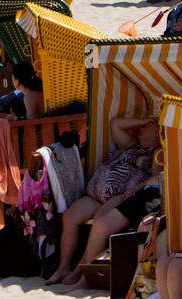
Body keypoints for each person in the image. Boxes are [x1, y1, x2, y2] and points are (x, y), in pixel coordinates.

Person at [46, 116, 161, 285]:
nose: (141, 129)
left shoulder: (157, 152)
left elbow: (155, 179)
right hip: (96, 194)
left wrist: (136, 189)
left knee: (100, 218)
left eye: (147, 127)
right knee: (69, 217)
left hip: (120, 196)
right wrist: (142, 121)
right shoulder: (131, 145)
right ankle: (63, 267)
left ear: (158, 133)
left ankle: (80, 270)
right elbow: (115, 123)